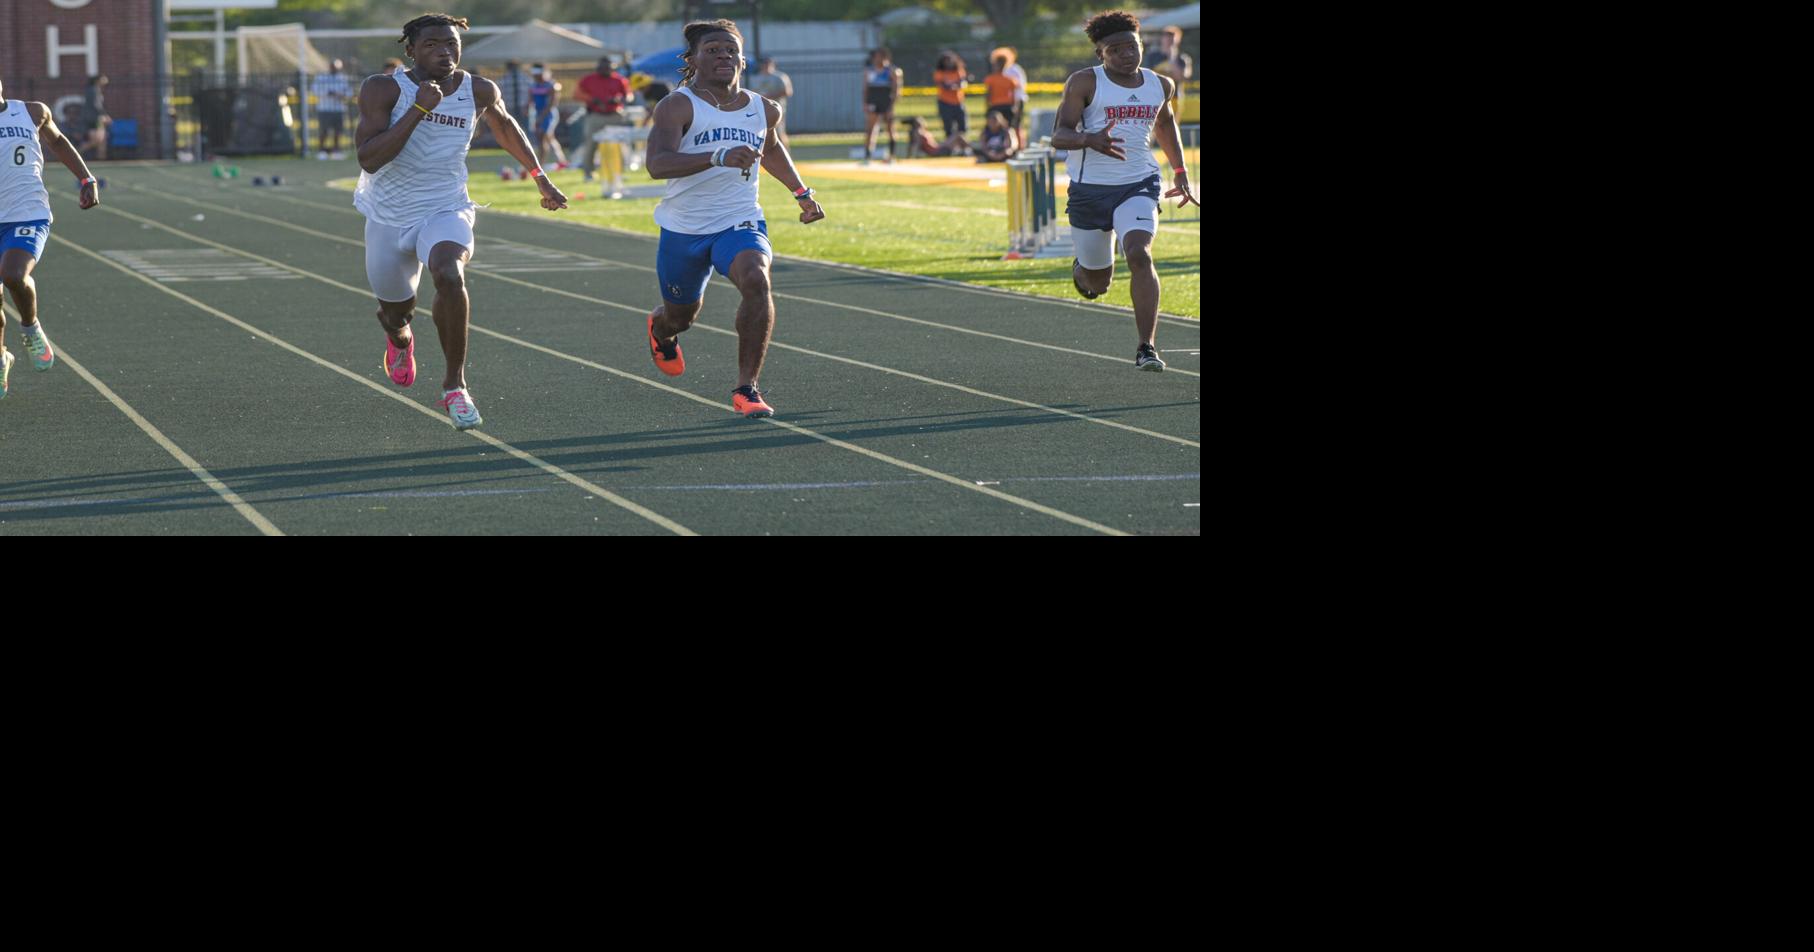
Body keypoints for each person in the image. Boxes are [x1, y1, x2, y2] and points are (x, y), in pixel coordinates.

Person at [353, 13, 569, 429]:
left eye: (451, 44)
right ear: (411, 50)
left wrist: (541, 178)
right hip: (388, 215)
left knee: (450, 275)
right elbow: (370, 159)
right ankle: (399, 338)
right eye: (432, 44)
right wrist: (418, 108)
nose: (444, 51)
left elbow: (506, 127)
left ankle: (455, 386)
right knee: (396, 313)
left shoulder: (478, 89)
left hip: (445, 207)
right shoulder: (383, 88)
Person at [643, 19, 825, 419]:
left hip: (739, 219)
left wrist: (802, 193)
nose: (724, 55)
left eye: (730, 49)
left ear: (742, 59)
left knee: (757, 280)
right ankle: (661, 329)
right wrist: (718, 155)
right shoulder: (678, 105)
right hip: (684, 227)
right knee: (681, 317)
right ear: (692, 59)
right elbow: (657, 164)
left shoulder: (764, 108)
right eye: (713, 50)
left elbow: (771, 149)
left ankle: (747, 388)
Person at [1052, 10, 1199, 372]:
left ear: (1141, 45)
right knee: (1097, 283)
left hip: (1139, 183)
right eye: (1115, 50)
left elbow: (1165, 122)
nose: (1126, 55)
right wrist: (1090, 139)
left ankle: (1146, 347)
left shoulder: (1160, 84)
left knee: (1140, 253)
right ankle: (1084, 270)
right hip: (1090, 190)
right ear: (1101, 54)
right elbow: (1059, 134)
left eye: (1131, 47)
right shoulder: (1084, 83)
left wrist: (1179, 170)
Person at [0, 77, 100, 399]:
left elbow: (57, 142)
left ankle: (30, 328)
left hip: (28, 214)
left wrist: (86, 177)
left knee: (14, 274)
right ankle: (2, 356)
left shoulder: (31, 112)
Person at [573, 57, 631, 194]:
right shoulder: (588, 79)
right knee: (591, 145)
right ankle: (589, 172)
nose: (606, 70)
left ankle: (619, 172)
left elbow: (628, 95)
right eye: (603, 67)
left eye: (608, 67)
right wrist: (592, 100)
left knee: (619, 144)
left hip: (614, 114)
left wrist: (619, 99)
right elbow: (576, 94)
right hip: (596, 115)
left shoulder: (619, 79)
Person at [861, 48, 901, 163]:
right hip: (873, 100)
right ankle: (868, 155)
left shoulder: (892, 71)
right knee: (870, 128)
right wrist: (865, 103)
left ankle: (891, 156)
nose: (877, 59)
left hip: (886, 101)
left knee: (890, 128)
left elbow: (896, 89)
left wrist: (892, 105)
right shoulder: (869, 71)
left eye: (879, 56)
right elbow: (865, 88)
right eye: (875, 57)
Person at [745, 57, 792, 148]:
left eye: (768, 64)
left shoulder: (779, 77)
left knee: (779, 132)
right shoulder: (755, 78)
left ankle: (785, 152)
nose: (766, 66)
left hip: (776, 109)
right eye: (764, 64)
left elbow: (787, 91)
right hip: (758, 109)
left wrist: (769, 96)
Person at [310, 59, 353, 158]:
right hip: (324, 108)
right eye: (333, 66)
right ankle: (321, 151)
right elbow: (315, 90)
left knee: (338, 131)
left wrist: (342, 95)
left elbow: (349, 92)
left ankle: (336, 151)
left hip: (338, 109)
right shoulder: (321, 78)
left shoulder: (342, 78)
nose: (334, 68)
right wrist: (328, 93)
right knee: (323, 130)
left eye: (337, 67)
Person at [527, 64, 567, 169]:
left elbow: (552, 104)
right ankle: (562, 160)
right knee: (549, 137)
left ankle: (540, 164)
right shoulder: (533, 86)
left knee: (543, 136)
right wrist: (529, 110)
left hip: (549, 115)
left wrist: (541, 118)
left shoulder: (552, 85)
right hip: (538, 114)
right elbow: (530, 100)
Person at [931, 52, 968, 141]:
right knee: (948, 128)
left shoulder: (958, 70)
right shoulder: (939, 72)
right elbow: (943, 85)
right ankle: (950, 146)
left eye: (950, 60)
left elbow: (962, 82)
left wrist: (956, 85)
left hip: (958, 102)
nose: (948, 63)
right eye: (946, 61)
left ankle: (962, 146)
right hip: (945, 102)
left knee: (962, 127)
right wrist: (953, 86)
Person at [997, 46, 1030, 137]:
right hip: (1007, 102)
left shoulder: (1015, 69)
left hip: (1017, 100)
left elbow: (1020, 87)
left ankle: (1020, 146)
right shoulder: (1004, 70)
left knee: (1017, 124)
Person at [983, 53, 1019, 130]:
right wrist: (1015, 106)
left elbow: (989, 93)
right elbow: (1014, 95)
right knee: (1008, 128)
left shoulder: (990, 79)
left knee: (995, 128)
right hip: (1007, 106)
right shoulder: (1010, 79)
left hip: (996, 106)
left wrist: (987, 106)